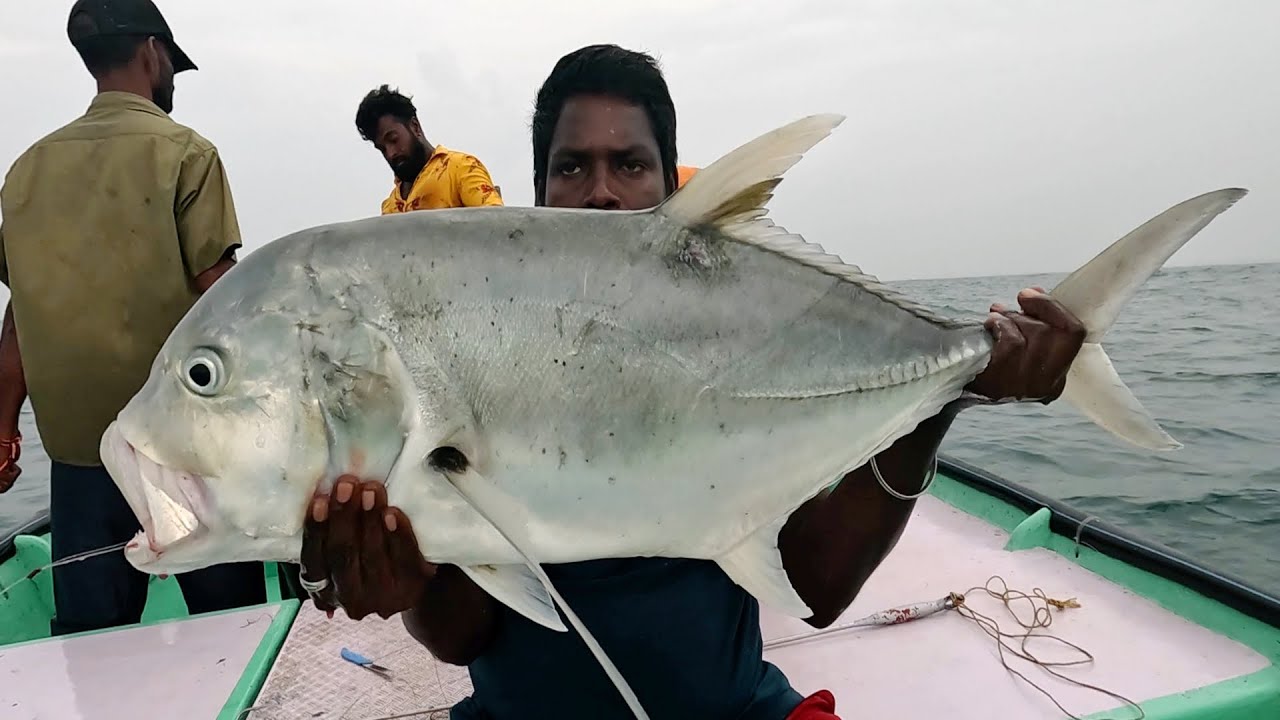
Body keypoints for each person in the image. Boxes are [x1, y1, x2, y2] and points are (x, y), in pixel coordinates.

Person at [299, 45, 1088, 719]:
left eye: (630, 164)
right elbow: (461, 637)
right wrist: (403, 577)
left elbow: (816, 589)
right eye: (571, 167)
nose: (600, 190)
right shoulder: (472, 371)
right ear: (537, 198)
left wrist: (939, 398)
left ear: (671, 190)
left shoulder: (742, 349)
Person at [0, 0, 266, 636]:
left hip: (78, 463)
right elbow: (222, 301)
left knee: (92, 643)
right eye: (171, 60)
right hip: (185, 453)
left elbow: (22, 315)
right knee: (229, 630)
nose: (171, 73)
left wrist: (4, 425)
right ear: (152, 52)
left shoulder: (26, 171)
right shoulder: (186, 154)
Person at [355, 85, 505, 214]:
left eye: (393, 140)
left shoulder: (461, 168)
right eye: (382, 149)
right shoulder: (390, 207)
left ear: (415, 126)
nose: (391, 153)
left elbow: (497, 228)